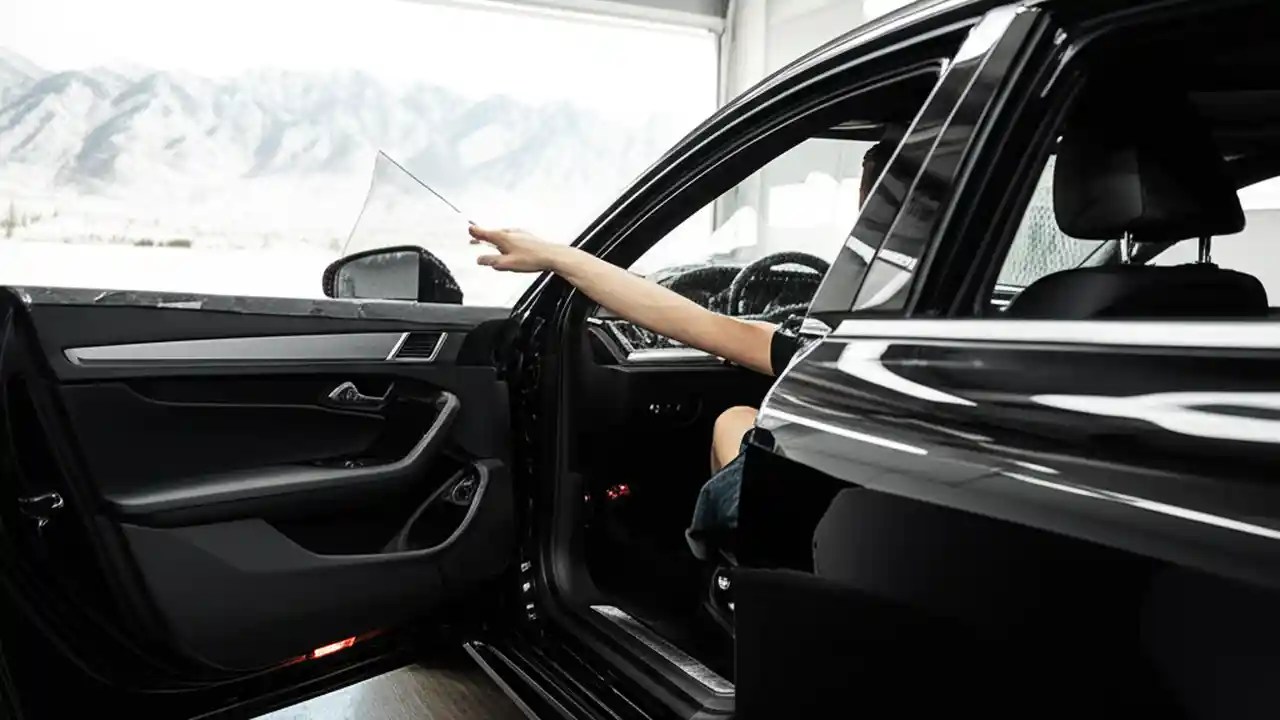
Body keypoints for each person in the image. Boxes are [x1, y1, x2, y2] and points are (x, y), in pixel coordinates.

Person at [469, 141, 892, 549]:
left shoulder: (866, 338)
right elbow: (722, 330)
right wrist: (555, 256)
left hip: (826, 529)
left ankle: (731, 582)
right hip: (876, 516)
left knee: (735, 423)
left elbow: (700, 324)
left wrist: (556, 256)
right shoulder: (916, 326)